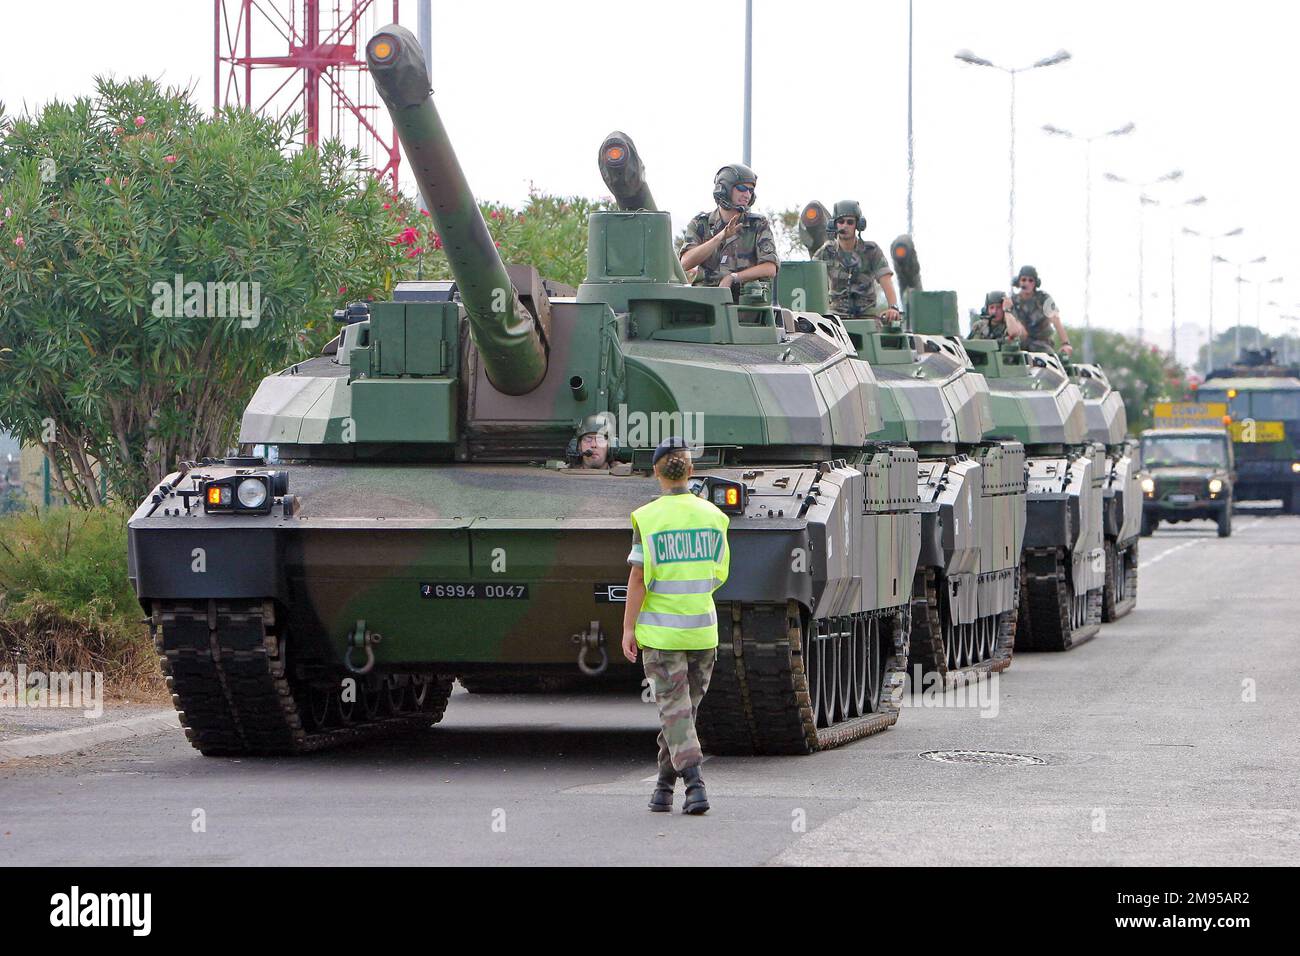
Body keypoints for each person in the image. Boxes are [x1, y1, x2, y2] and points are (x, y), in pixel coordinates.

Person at [621, 437, 731, 815]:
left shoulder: (647, 518)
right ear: (691, 471)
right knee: (681, 712)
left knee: (675, 711)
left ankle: (696, 784)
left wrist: (627, 630)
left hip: (661, 634)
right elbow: (719, 574)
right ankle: (664, 788)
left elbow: (637, 580)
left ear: (656, 472)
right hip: (703, 632)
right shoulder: (715, 517)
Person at [679, 163, 779, 293]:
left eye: (751, 191)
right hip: (705, 300)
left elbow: (770, 268)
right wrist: (719, 238)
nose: (747, 195)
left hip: (743, 301)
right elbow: (685, 263)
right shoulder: (701, 223)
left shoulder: (757, 224)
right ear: (724, 189)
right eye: (742, 188)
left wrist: (734, 277)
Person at [815, 199, 900, 320]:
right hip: (836, 317)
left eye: (850, 222)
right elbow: (811, 277)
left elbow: (885, 279)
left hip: (867, 315)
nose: (845, 226)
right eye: (841, 221)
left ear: (858, 225)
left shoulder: (871, 251)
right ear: (834, 224)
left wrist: (893, 307)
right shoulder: (826, 252)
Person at [1006, 265, 1072, 355]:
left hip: (1041, 344)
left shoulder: (1043, 299)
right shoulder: (1012, 301)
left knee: (1051, 361)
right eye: (1024, 280)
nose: (1027, 283)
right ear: (1019, 282)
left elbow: (1055, 320)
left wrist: (1065, 343)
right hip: (1019, 344)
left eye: (1030, 280)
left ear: (1035, 283)